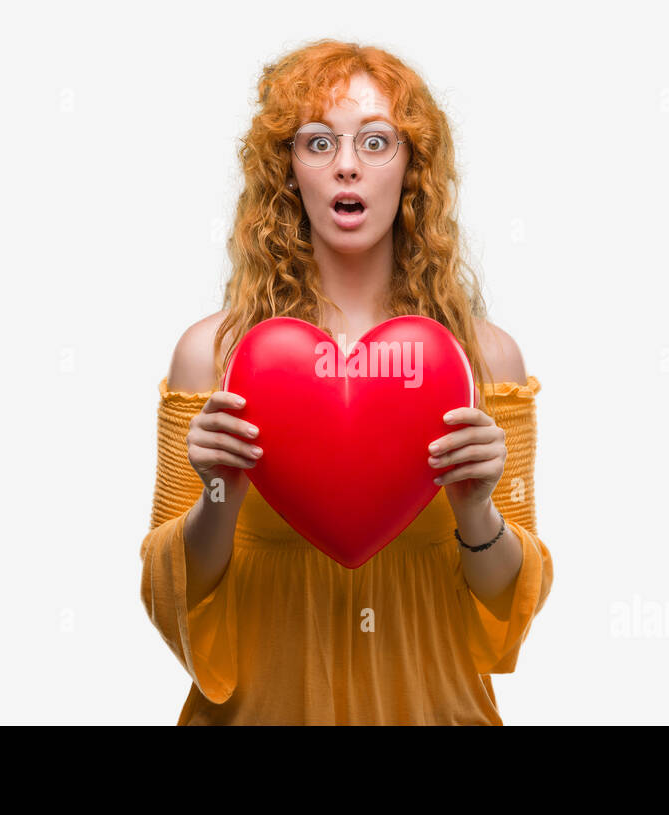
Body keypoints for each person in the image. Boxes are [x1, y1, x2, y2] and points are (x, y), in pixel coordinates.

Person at [139, 39, 552, 725]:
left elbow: (511, 604)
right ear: (288, 169)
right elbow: (171, 597)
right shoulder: (214, 358)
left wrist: (477, 509)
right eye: (319, 142)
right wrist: (219, 489)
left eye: (377, 141)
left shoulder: (484, 362)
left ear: (411, 167)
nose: (348, 166)